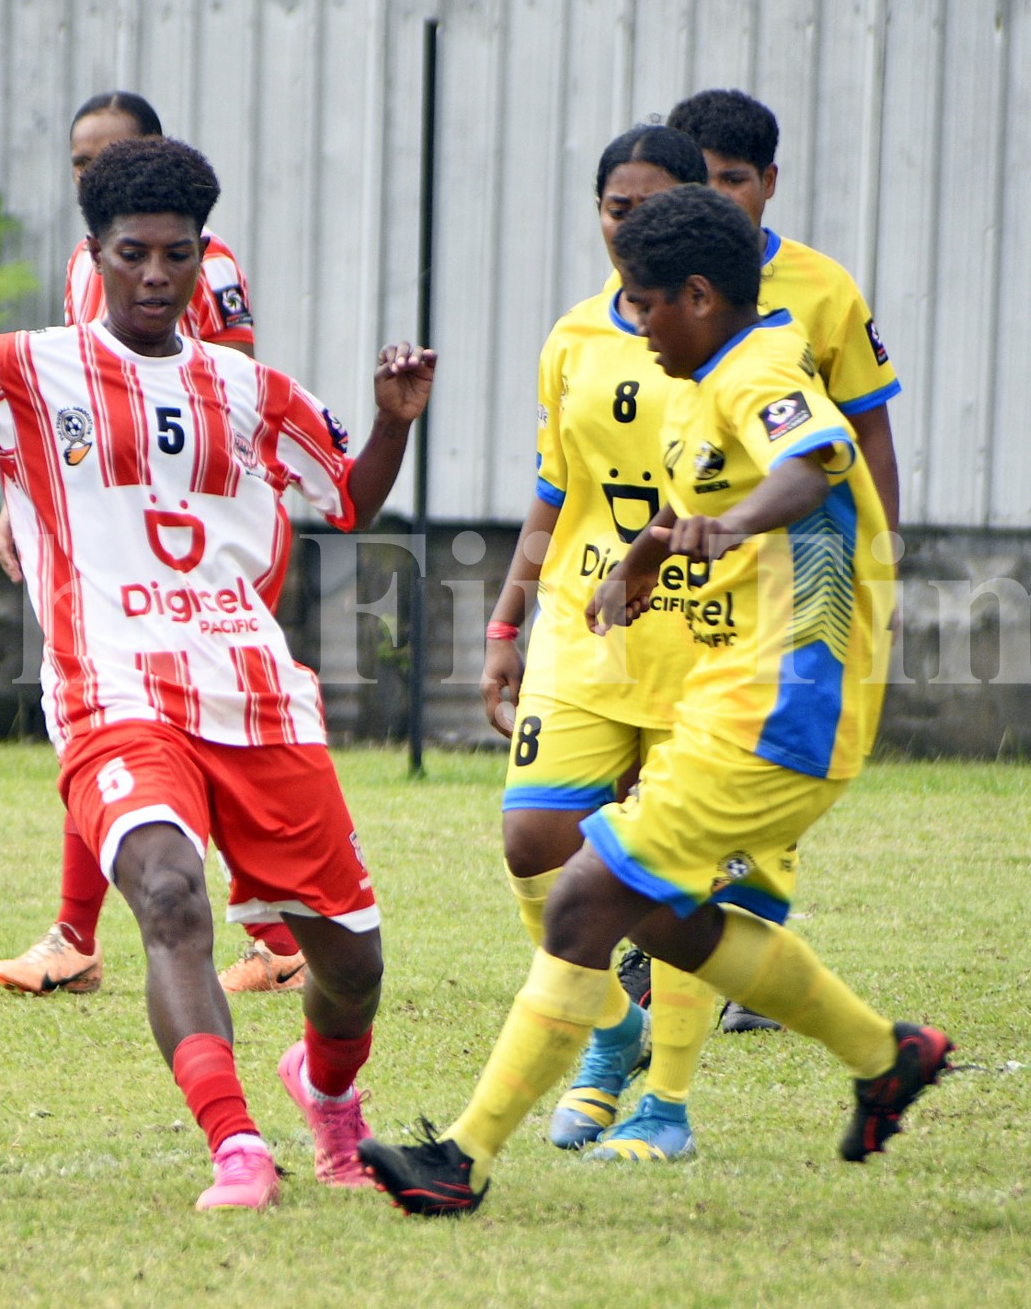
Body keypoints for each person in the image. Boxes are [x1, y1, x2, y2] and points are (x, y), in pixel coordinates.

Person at [0, 136, 435, 1211]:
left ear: (202, 256)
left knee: (352, 964)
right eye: (133, 255)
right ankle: (236, 1145)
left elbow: (348, 501)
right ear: (95, 255)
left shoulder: (253, 390)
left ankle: (326, 1093)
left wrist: (392, 422)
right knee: (168, 895)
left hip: (255, 694)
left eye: (176, 255)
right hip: (109, 687)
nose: (156, 276)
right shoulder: (24, 366)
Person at [360, 185, 949, 1215]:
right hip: (735, 688)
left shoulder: (762, 365)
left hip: (788, 700)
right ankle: (881, 1053)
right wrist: (646, 552)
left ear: (700, 295)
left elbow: (813, 463)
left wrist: (731, 527)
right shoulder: (703, 380)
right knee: (665, 918)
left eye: (645, 303)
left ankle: (463, 1156)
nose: (634, 325)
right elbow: (700, 496)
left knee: (585, 898)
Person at [0, 91, 313, 1001]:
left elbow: (234, 390)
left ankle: (110, 934)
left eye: (111, 157)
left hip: (195, 539)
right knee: (110, 708)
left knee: (150, 710)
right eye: (81, 163)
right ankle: (110, 934)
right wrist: (20, 502)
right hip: (108, 533)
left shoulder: (206, 265)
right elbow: (67, 410)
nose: (94, 174)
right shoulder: (85, 262)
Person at [477, 124, 723, 1164]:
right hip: (583, 626)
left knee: (677, 870)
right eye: (616, 208)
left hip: (702, 639)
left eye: (652, 208)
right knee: (533, 839)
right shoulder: (572, 336)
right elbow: (554, 487)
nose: (630, 226)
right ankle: (611, 1029)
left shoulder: (743, 342)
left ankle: (664, 1102)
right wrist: (506, 619)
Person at [666, 86, 904, 1032]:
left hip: (800, 568)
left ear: (770, 181)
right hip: (690, 564)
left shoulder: (821, 289)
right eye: (701, 180)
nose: (719, 198)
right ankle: (680, 936)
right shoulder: (653, 287)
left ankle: (744, 952)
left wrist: (884, 558)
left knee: (770, 743)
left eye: (735, 180)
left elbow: (863, 432)